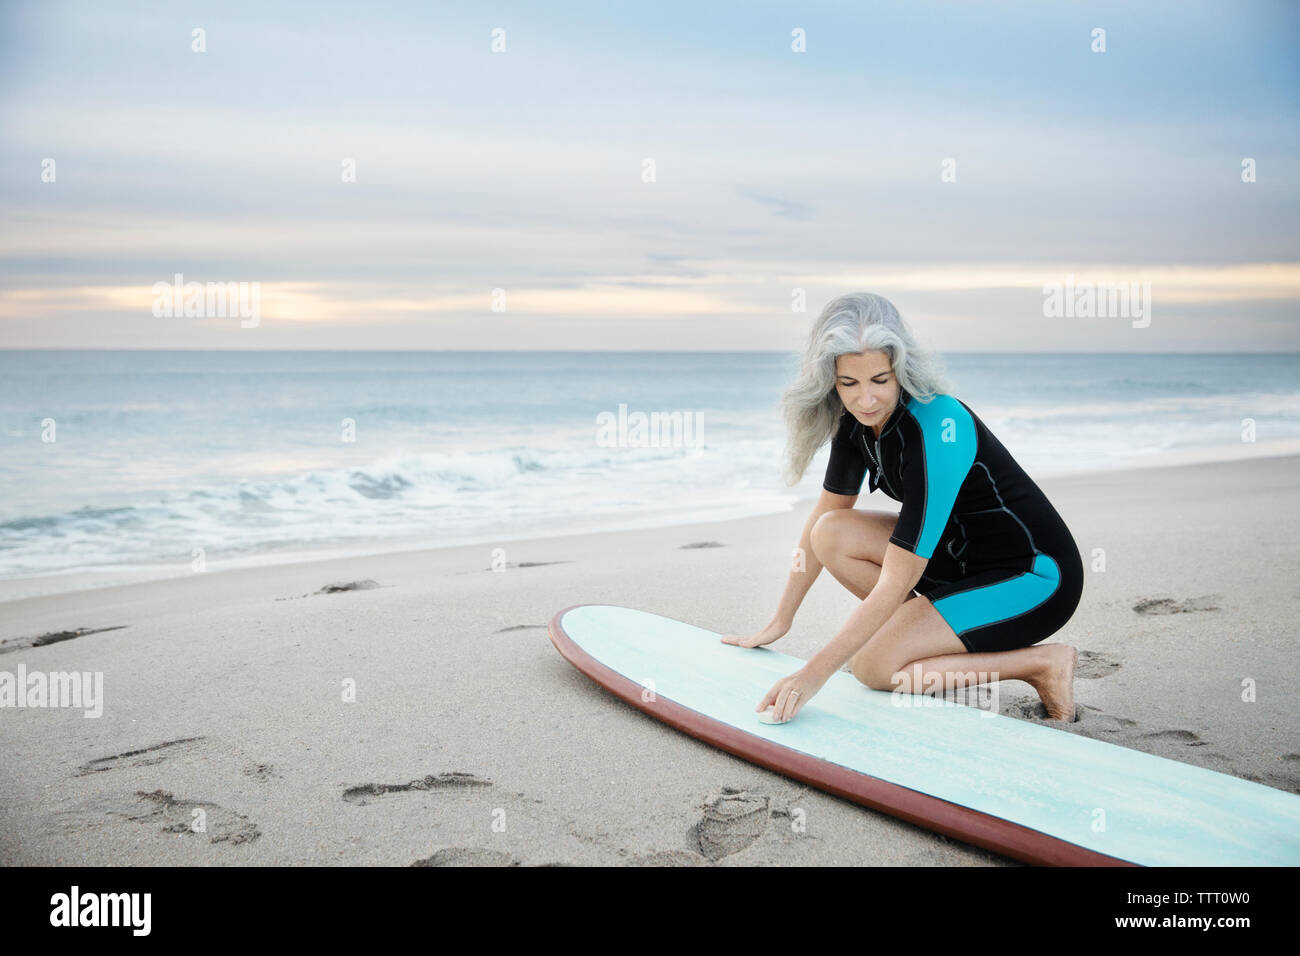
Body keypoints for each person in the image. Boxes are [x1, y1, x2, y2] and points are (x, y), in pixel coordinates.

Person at [722, 292, 1083, 723]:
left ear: (902, 369)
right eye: (848, 384)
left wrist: (811, 675)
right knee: (829, 533)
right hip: (954, 563)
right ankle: (919, 637)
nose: (866, 400)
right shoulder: (855, 421)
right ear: (830, 381)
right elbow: (825, 515)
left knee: (872, 666)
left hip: (1032, 578)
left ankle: (1041, 663)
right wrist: (781, 620)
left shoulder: (940, 426)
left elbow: (897, 580)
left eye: (880, 379)